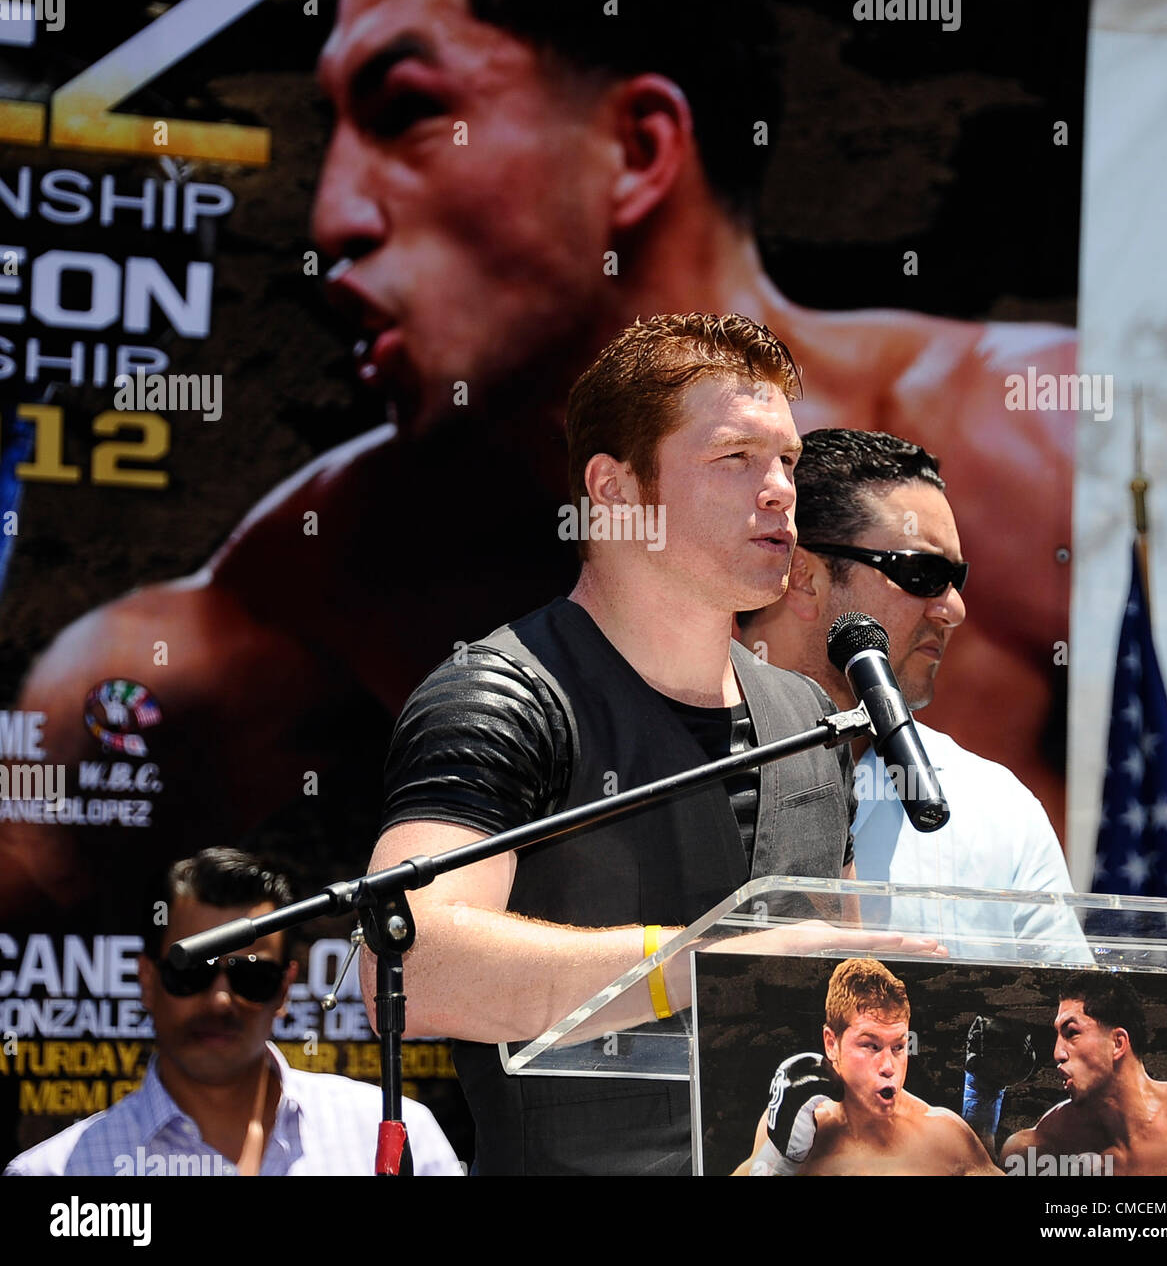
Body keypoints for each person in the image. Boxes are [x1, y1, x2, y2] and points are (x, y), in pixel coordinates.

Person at [4, 0, 1071, 929]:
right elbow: (414, 956)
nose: (332, 216)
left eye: (408, 110)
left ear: (638, 149)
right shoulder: (331, 594)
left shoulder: (1031, 458)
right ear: (607, 493)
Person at [367, 313, 939, 1176]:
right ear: (615, 489)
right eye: (735, 458)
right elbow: (405, 962)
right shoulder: (500, 697)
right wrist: (701, 965)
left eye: (786, 459)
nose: (782, 488)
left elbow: (829, 970)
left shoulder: (810, 718)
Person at [739, 428, 1088, 962]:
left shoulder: (998, 811)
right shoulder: (676, 771)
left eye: (957, 579)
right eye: (923, 573)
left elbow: (1075, 1030)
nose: (953, 609)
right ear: (804, 577)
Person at [3, 847, 462, 1177]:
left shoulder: (398, 1138)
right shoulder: (54, 1173)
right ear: (147, 981)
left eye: (250, 977)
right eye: (193, 974)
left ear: (284, 988)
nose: (221, 1000)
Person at [735, 957, 999, 1176]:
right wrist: (781, 1162)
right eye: (870, 1046)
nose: (888, 1066)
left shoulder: (942, 1137)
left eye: (898, 1047)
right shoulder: (792, 1123)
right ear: (831, 1043)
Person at [1000, 973, 1167, 1176]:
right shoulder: (1042, 1146)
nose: (1058, 1053)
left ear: (1117, 1043)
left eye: (1072, 1033)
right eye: (1058, 1036)